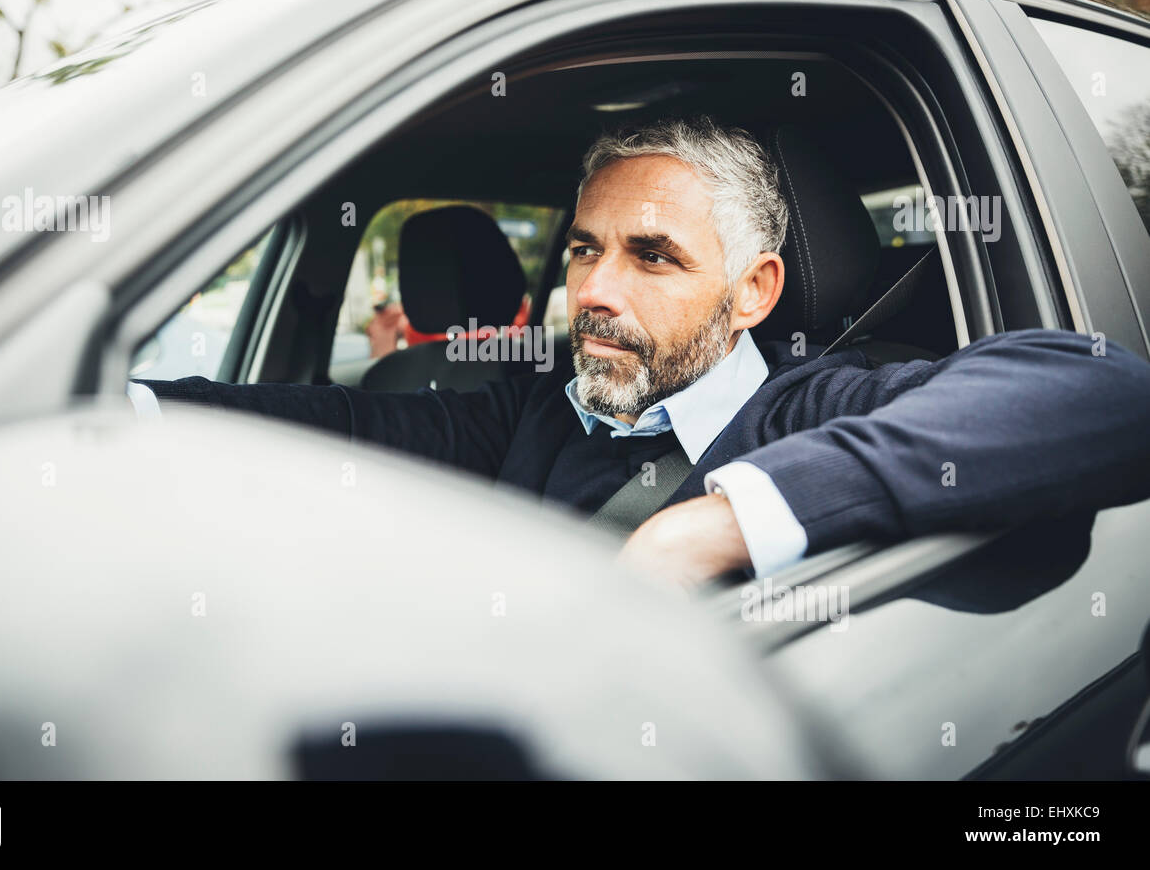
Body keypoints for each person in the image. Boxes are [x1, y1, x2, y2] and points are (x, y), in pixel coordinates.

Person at [130, 116, 1150, 590]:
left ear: (751, 290)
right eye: (584, 249)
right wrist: (107, 402)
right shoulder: (527, 410)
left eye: (652, 255)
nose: (597, 290)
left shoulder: (813, 408)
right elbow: (336, 422)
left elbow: (1109, 386)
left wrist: (711, 526)